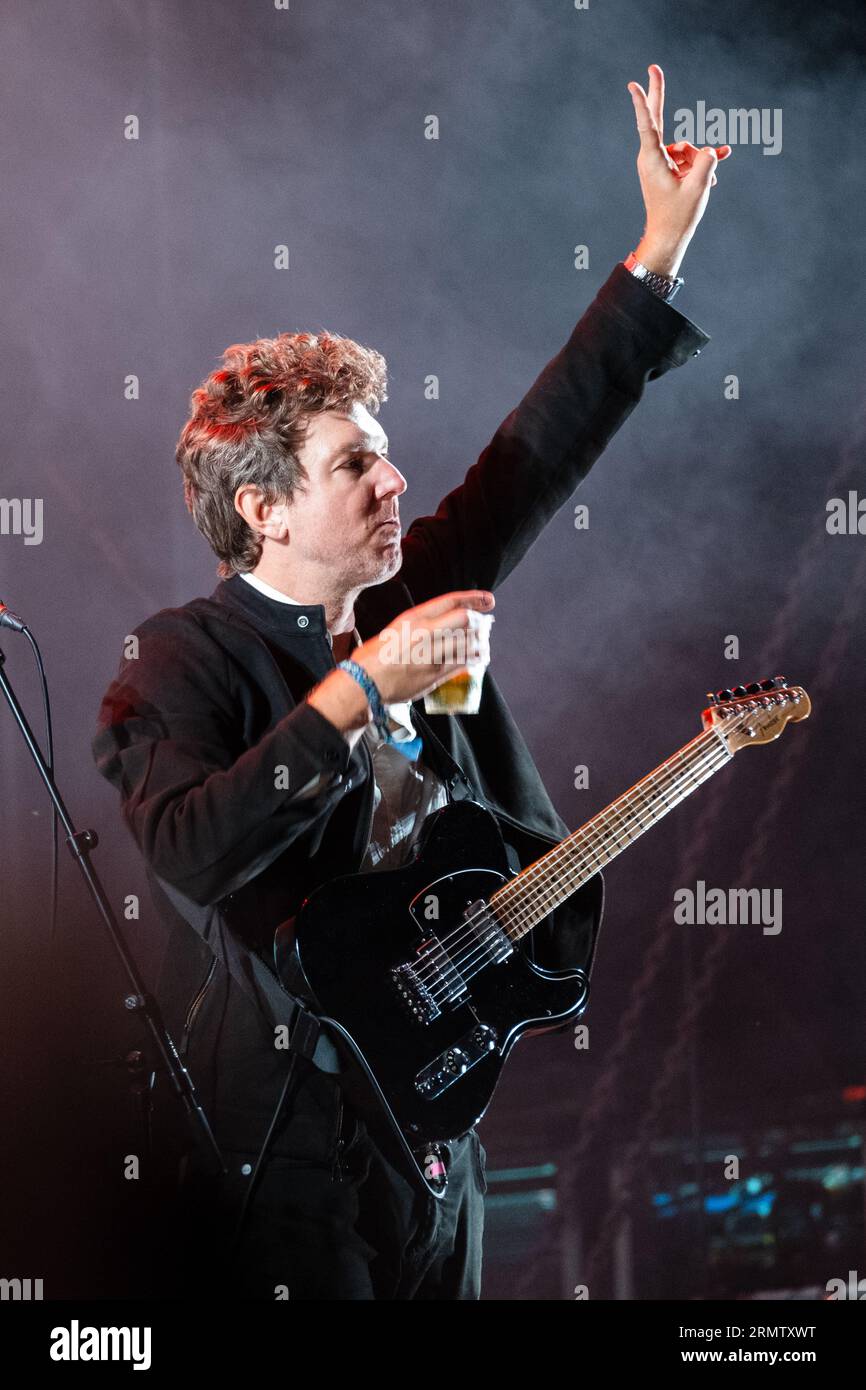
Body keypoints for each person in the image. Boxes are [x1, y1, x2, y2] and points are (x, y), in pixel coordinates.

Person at [91, 65, 728, 1300]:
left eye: (386, 458)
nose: (393, 484)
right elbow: (186, 845)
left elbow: (532, 453)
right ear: (264, 507)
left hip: (439, 1135)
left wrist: (653, 250)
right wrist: (359, 691)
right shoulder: (180, 657)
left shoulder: (410, 585)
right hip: (286, 1149)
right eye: (353, 467)